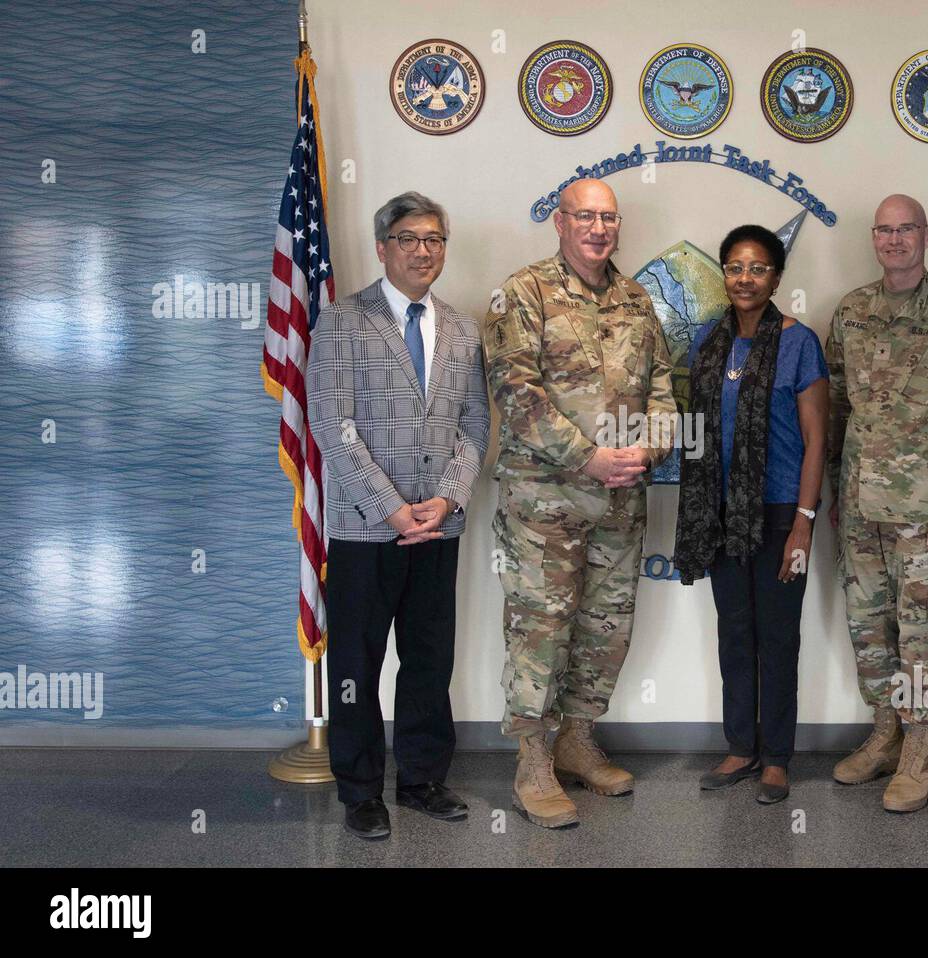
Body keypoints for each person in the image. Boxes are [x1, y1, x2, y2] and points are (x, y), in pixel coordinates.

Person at [483, 179, 676, 829]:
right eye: (585, 216)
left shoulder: (636, 300)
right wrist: (586, 456)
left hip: (620, 501)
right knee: (541, 631)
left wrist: (646, 450)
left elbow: (663, 392)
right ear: (560, 222)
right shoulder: (524, 293)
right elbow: (515, 392)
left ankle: (576, 738)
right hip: (546, 502)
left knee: (605, 630)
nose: (598, 228)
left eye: (609, 218)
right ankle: (533, 763)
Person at [306, 191, 490, 840]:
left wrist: (447, 499)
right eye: (410, 238)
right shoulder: (341, 321)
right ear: (382, 246)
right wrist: (392, 509)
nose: (423, 250)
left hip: (438, 526)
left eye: (435, 239)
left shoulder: (464, 329)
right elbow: (333, 425)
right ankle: (360, 790)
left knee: (428, 658)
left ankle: (422, 780)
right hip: (364, 530)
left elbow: (475, 427)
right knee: (356, 662)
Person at [825, 194, 928, 812]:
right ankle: (885, 733)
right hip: (860, 508)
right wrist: (834, 493)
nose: (895, 240)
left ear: (927, 235)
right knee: (869, 630)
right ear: (874, 238)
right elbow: (837, 408)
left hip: (926, 514)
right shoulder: (852, 311)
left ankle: (919, 753)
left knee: (922, 635)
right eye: (884, 231)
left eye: (906, 230)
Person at [674, 225, 828, 805]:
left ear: (777, 278)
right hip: (720, 511)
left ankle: (778, 758)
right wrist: (695, 507)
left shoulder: (798, 341)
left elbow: (817, 440)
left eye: (758, 268)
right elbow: (696, 432)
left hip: (781, 507)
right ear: (724, 275)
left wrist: (804, 522)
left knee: (777, 635)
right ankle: (741, 747)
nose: (745, 278)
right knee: (734, 632)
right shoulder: (709, 344)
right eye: (735, 267)